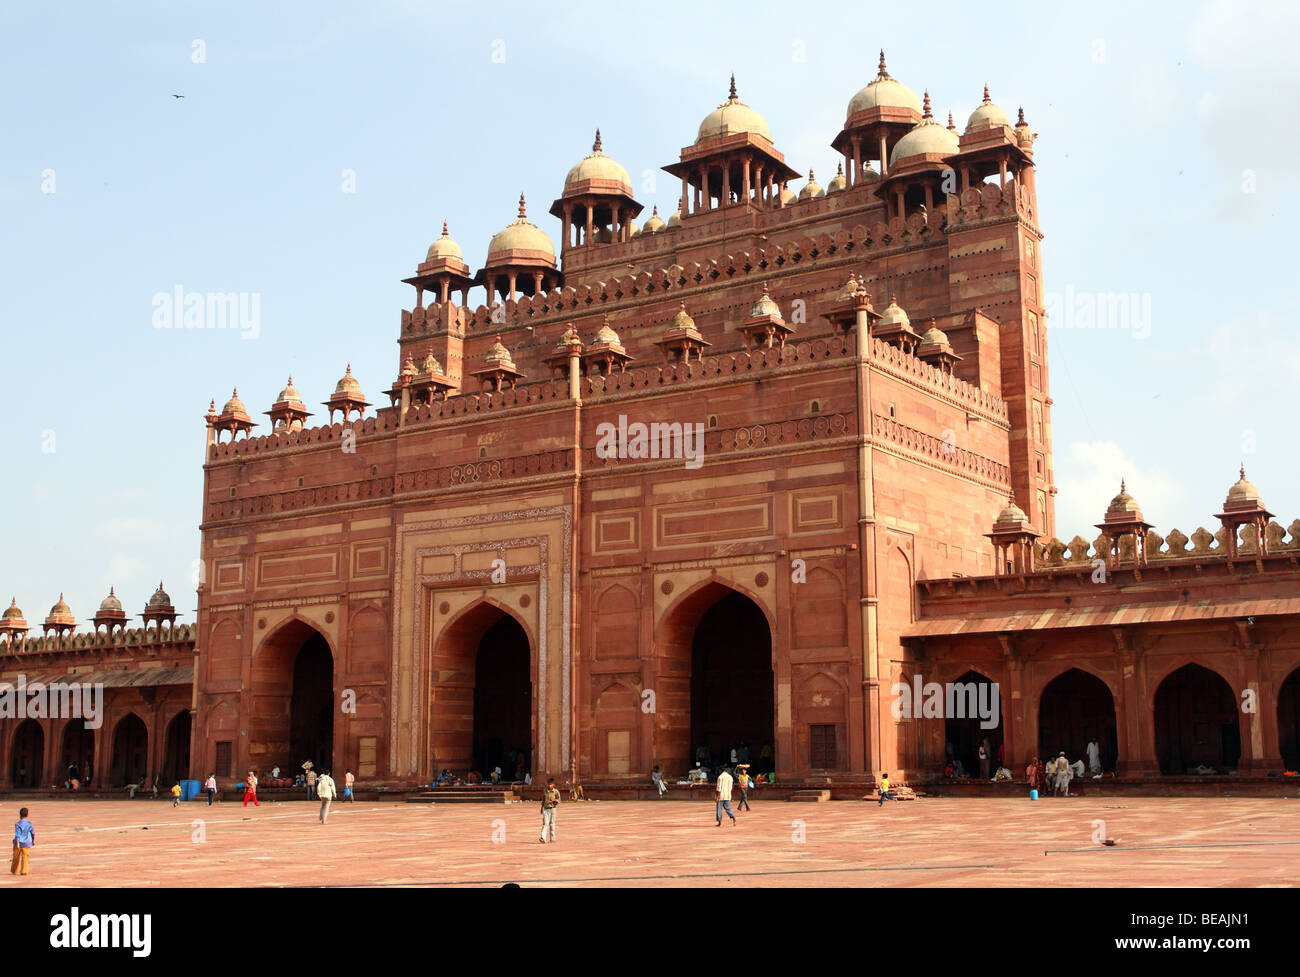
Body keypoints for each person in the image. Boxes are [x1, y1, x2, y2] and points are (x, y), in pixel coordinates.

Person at [11, 808, 34, 877]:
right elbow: (32, 833)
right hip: (27, 842)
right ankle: (24, 871)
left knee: (16, 857)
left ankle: (14, 871)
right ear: (27, 815)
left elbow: (17, 833)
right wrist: (33, 840)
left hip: (18, 842)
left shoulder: (17, 824)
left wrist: (17, 841)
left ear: (20, 815)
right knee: (25, 857)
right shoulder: (29, 824)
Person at [539, 777, 560, 843]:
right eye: (548, 784)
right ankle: (543, 837)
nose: (549, 786)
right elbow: (543, 799)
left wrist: (554, 800)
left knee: (552, 824)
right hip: (546, 809)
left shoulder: (556, 791)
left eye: (551, 784)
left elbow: (559, 800)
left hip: (553, 809)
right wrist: (541, 808)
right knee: (545, 824)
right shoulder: (545, 790)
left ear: (553, 785)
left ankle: (552, 838)